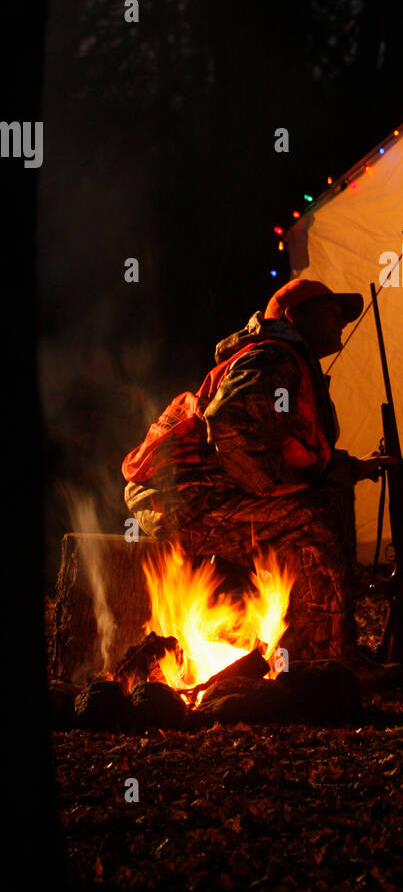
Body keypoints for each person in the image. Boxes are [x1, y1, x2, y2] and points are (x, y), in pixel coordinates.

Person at [122, 279, 387, 661]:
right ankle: (324, 659)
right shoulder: (275, 358)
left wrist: (351, 468)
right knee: (314, 522)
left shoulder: (284, 360)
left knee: (319, 501)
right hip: (185, 498)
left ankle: (294, 649)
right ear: (295, 317)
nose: (341, 321)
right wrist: (270, 488)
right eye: (331, 312)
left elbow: (286, 447)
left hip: (184, 493)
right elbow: (229, 421)